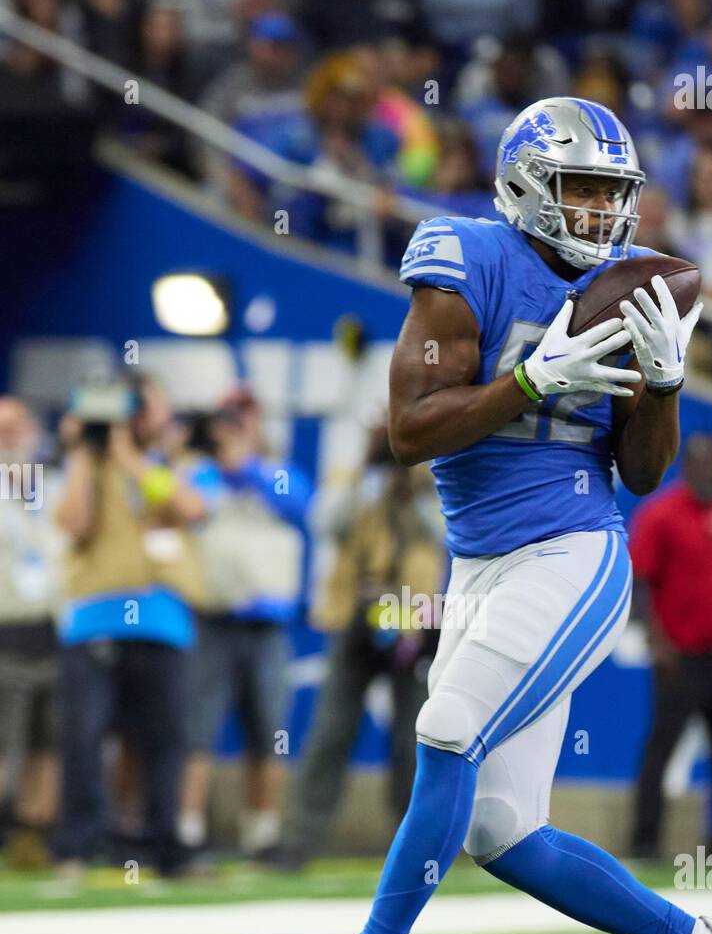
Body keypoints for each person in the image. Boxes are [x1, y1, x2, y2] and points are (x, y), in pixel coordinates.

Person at [239, 96, 712, 934]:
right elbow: (409, 429)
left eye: (610, 194)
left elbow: (642, 471)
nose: (595, 213)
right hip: (482, 562)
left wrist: (660, 384)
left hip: (572, 549)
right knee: (498, 828)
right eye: (579, 188)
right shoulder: (464, 259)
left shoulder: (630, 287)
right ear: (528, 180)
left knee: (445, 727)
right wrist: (527, 383)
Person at [53, 374, 209, 876]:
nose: (144, 417)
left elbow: (192, 508)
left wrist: (127, 458)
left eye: (148, 407)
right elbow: (74, 524)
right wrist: (82, 453)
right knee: (85, 735)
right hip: (93, 619)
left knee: (165, 739)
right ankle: (80, 843)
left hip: (160, 621)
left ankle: (164, 846)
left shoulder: (166, 466)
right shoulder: (84, 467)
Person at [278, 423, 444, 869]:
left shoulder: (437, 479)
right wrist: (369, 473)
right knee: (331, 731)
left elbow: (445, 536)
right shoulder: (355, 479)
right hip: (358, 610)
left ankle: (415, 847)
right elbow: (329, 524)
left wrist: (414, 483)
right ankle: (298, 840)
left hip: (413, 614)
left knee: (414, 737)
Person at [178, 392, 312, 860]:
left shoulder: (277, 474)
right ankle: (188, 830)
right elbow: (188, 507)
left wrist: (246, 464)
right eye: (225, 423)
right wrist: (219, 465)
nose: (232, 431)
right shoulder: (199, 474)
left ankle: (262, 833)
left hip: (267, 625)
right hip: (213, 620)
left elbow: (298, 504)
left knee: (269, 731)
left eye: (241, 422)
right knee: (197, 731)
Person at [630, 434, 712, 860]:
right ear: (688, 466)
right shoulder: (661, 514)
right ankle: (645, 842)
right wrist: (658, 642)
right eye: (704, 465)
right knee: (661, 748)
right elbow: (642, 581)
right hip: (680, 656)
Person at [0, 396, 62, 866]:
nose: (10, 436)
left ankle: (33, 832)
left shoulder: (50, 485)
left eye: (17, 427)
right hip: (6, 627)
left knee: (47, 741)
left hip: (53, 627)